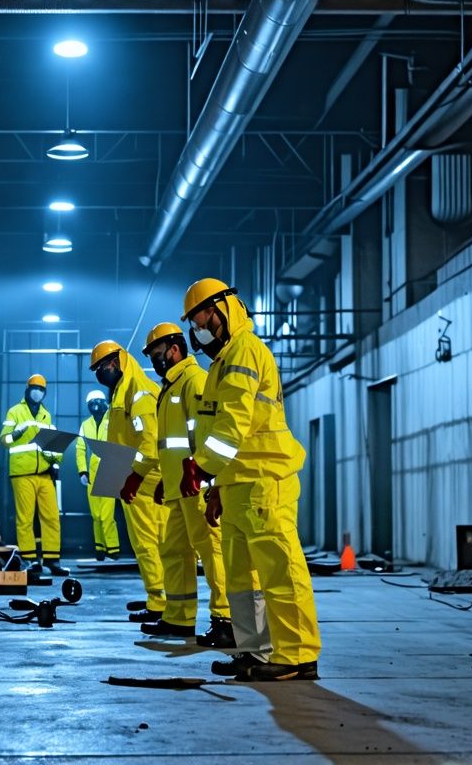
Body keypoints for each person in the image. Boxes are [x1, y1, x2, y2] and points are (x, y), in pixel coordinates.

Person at [179, 277, 321, 682]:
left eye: (201, 317)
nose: (198, 328)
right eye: (193, 322)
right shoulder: (222, 362)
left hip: (264, 479)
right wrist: (218, 488)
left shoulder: (245, 351)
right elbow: (218, 429)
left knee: (280, 571)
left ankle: (296, 656)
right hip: (239, 484)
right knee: (243, 579)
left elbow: (234, 424)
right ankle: (255, 653)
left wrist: (203, 469)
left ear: (224, 308)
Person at [139, 323, 233, 648]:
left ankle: (226, 619)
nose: (154, 360)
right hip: (178, 486)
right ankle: (179, 619)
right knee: (174, 551)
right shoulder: (170, 386)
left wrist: (207, 477)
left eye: (156, 353)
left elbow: (205, 434)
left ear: (174, 349)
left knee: (211, 550)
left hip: (196, 485)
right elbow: (170, 444)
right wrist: (166, 480)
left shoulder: (194, 382)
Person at [89, 340, 166, 623]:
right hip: (136, 476)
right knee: (153, 543)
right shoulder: (123, 392)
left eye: (103, 366)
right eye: (97, 368)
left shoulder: (138, 393)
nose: (101, 372)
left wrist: (135, 476)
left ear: (117, 362)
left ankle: (160, 601)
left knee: (148, 543)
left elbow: (148, 442)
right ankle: (159, 597)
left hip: (143, 480)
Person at [0, 374, 67, 576]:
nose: (37, 391)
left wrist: (56, 463)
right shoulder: (15, 411)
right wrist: (17, 433)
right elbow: (5, 440)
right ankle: (30, 561)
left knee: (51, 517)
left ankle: (52, 560)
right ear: (27, 390)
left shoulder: (46, 415)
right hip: (22, 473)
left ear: (44, 393)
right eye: (34, 388)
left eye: (41, 389)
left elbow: (53, 445)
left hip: (45, 474)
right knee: (25, 519)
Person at [75, 389, 120, 561]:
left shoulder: (113, 418)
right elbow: (80, 448)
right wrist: (82, 471)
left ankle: (113, 549)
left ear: (104, 403)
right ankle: (100, 548)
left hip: (110, 468)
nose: (95, 405)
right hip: (93, 470)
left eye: (98, 401)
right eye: (91, 402)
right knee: (96, 514)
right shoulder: (85, 425)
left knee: (106, 514)